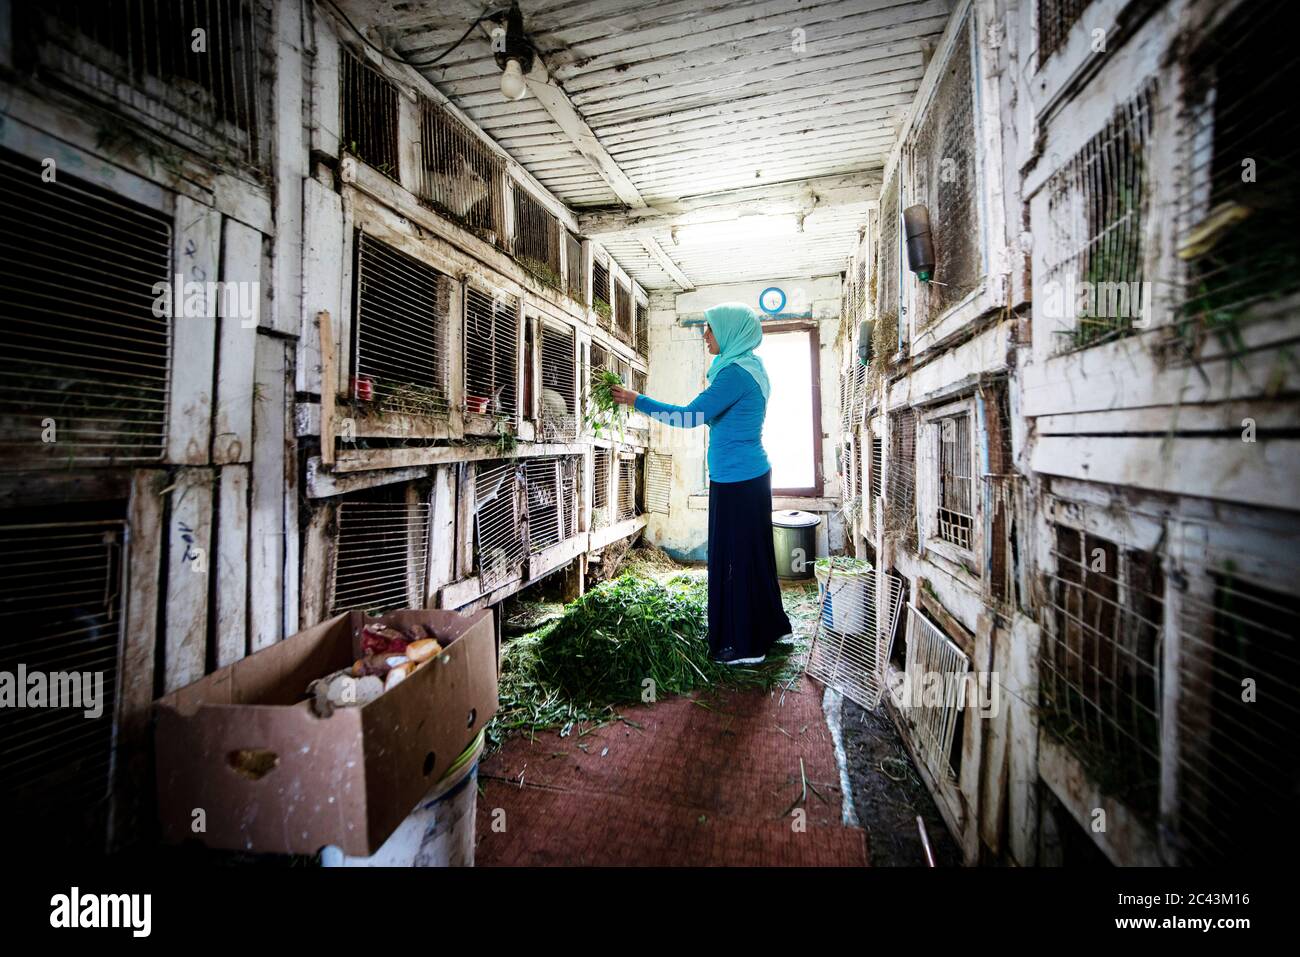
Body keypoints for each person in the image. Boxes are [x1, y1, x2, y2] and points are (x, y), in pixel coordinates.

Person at [610, 302, 792, 665]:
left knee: (733, 559)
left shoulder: (733, 375)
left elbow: (688, 416)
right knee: (754, 555)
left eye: (709, 328)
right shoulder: (752, 370)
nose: (704, 334)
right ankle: (771, 627)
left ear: (727, 332)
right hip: (750, 476)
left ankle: (745, 646)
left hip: (737, 480)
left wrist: (636, 400)